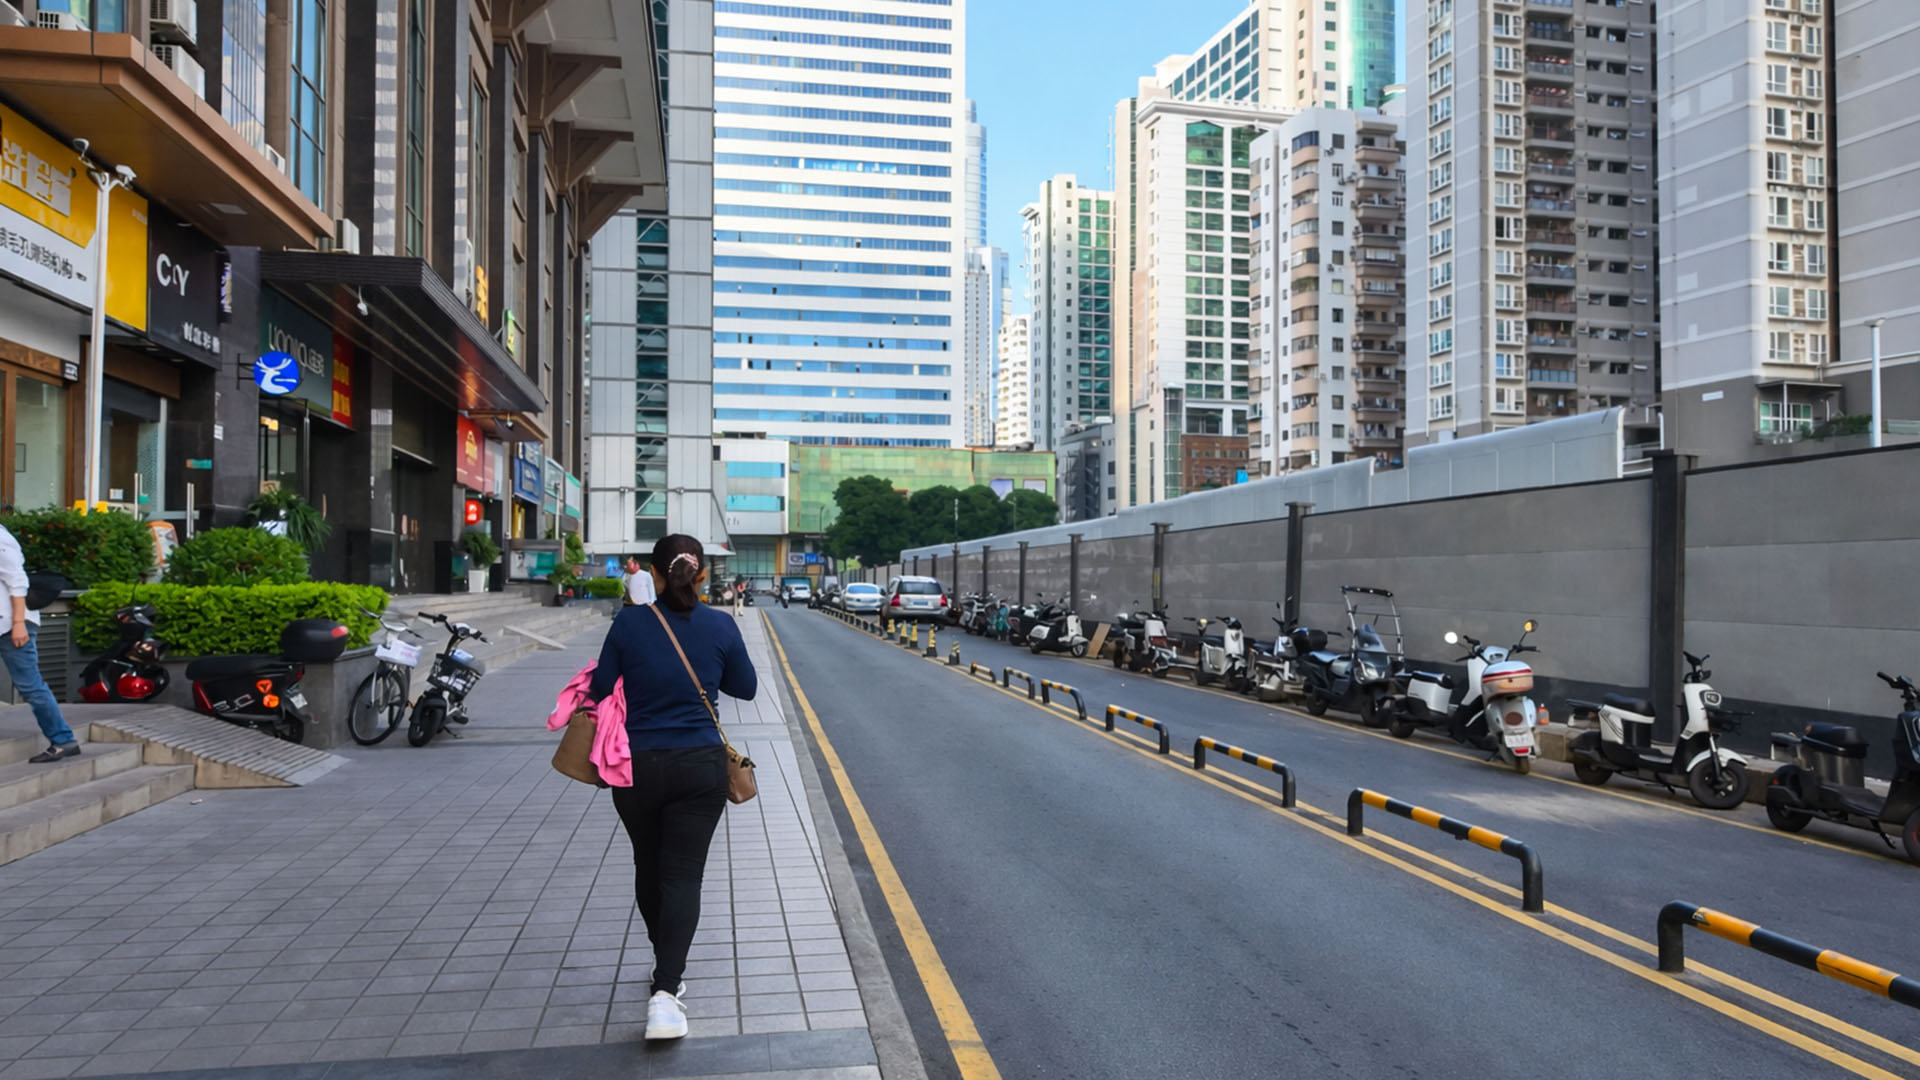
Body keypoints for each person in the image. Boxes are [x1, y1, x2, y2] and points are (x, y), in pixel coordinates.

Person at [587, 534, 757, 1041]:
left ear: (654, 575)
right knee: (682, 876)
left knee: (649, 865)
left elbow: (599, 689)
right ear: (700, 575)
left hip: (635, 766)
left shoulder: (628, 622)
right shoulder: (719, 624)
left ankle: (665, 961)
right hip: (699, 768)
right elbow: (744, 687)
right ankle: (667, 991)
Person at [0, 523, 79, 764]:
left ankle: (63, 739)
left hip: (11, 624)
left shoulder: (1, 539)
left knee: (30, 685)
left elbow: (18, 581)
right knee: (30, 684)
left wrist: (19, 623)